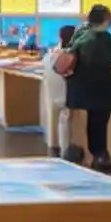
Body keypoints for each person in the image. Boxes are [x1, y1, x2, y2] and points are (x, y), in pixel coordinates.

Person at [65, 4, 111, 172]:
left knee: (88, 122)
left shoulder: (81, 34)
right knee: (99, 122)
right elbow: (110, 60)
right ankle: (100, 156)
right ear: (105, 19)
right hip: (98, 87)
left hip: (79, 88)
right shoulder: (105, 38)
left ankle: (85, 154)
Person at [41, 24, 76, 157]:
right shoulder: (70, 55)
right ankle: (65, 149)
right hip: (65, 93)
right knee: (65, 118)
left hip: (52, 93)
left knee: (54, 117)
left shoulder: (51, 54)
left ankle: (53, 145)